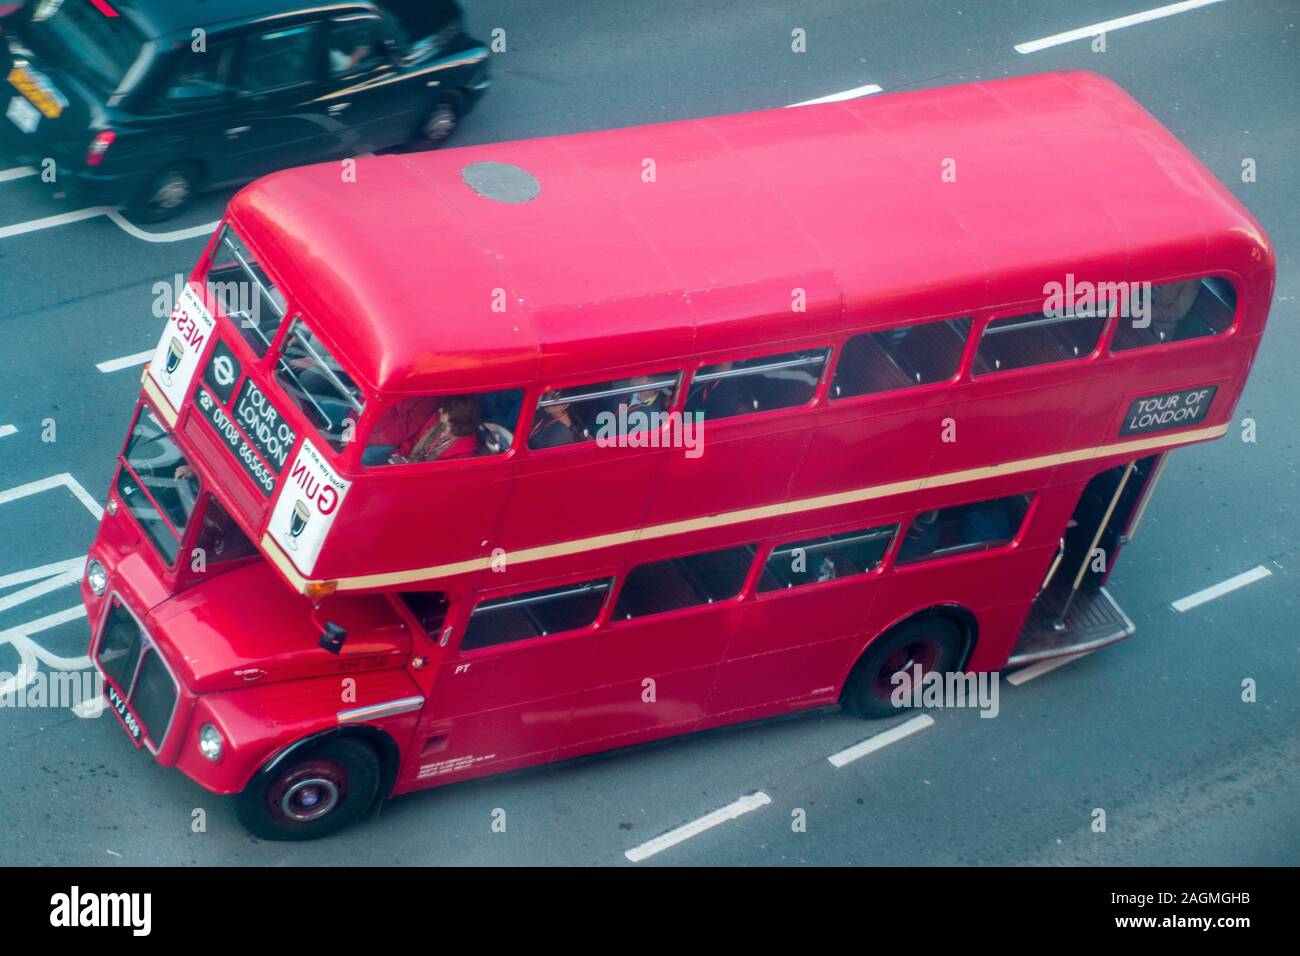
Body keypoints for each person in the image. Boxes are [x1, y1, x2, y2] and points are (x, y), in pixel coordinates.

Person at [386, 395, 482, 464]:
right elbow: (414, 440)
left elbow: (442, 471)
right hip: (408, 462)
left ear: (455, 417)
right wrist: (398, 454)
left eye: (444, 411)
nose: (440, 410)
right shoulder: (435, 420)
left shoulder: (465, 449)